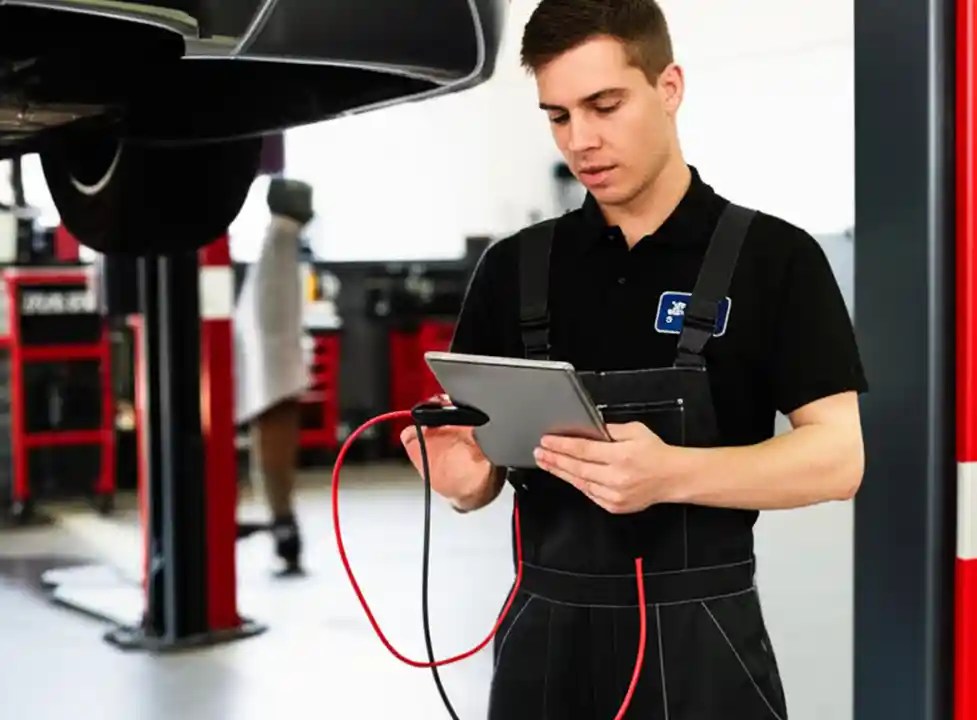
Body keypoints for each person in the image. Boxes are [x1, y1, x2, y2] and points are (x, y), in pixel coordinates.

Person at [401, 1, 868, 717]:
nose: (581, 140)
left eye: (605, 105)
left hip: (702, 647)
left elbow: (838, 460)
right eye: (558, 116)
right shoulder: (513, 270)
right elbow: (477, 481)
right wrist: (461, 477)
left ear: (670, 87)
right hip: (544, 647)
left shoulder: (775, 261)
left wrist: (673, 473)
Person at [233, 177, 315, 577]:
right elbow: (271, 318)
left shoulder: (276, 242)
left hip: (271, 371)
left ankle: (283, 523)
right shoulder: (280, 242)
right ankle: (283, 525)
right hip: (274, 373)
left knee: (270, 462)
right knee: (274, 460)